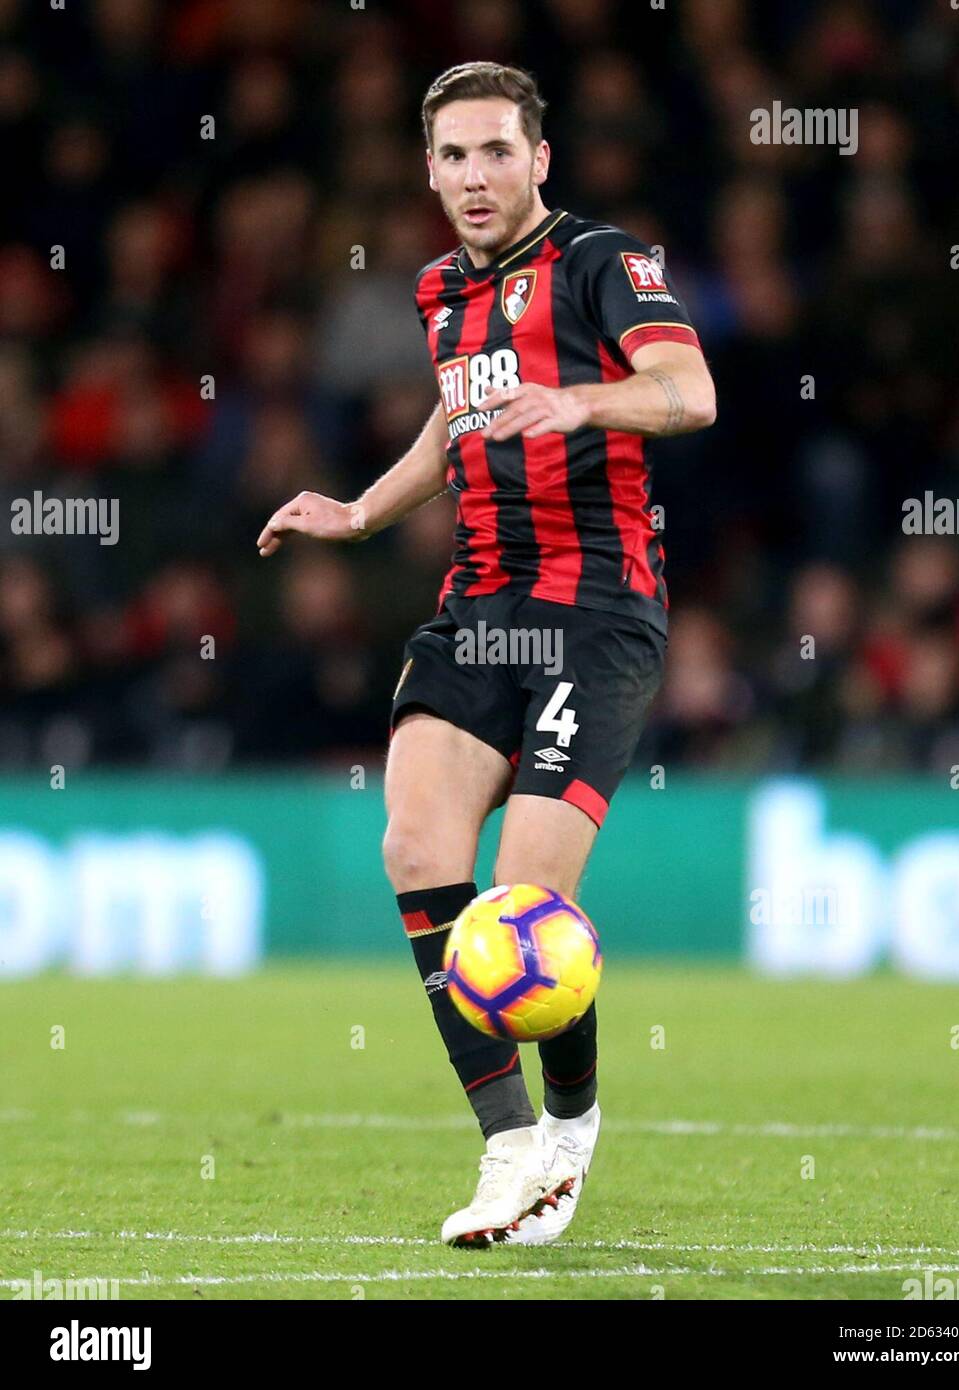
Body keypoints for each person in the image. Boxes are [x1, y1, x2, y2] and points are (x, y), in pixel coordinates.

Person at [257, 62, 716, 1247]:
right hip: (476, 605)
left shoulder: (603, 263)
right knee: (412, 844)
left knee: (527, 905)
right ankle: (508, 1142)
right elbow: (455, 413)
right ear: (427, 169)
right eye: (453, 156)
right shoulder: (437, 291)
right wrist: (360, 514)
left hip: (596, 611)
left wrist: (585, 405)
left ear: (539, 160)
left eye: (496, 152)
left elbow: (689, 390)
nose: (474, 176)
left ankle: (570, 1124)